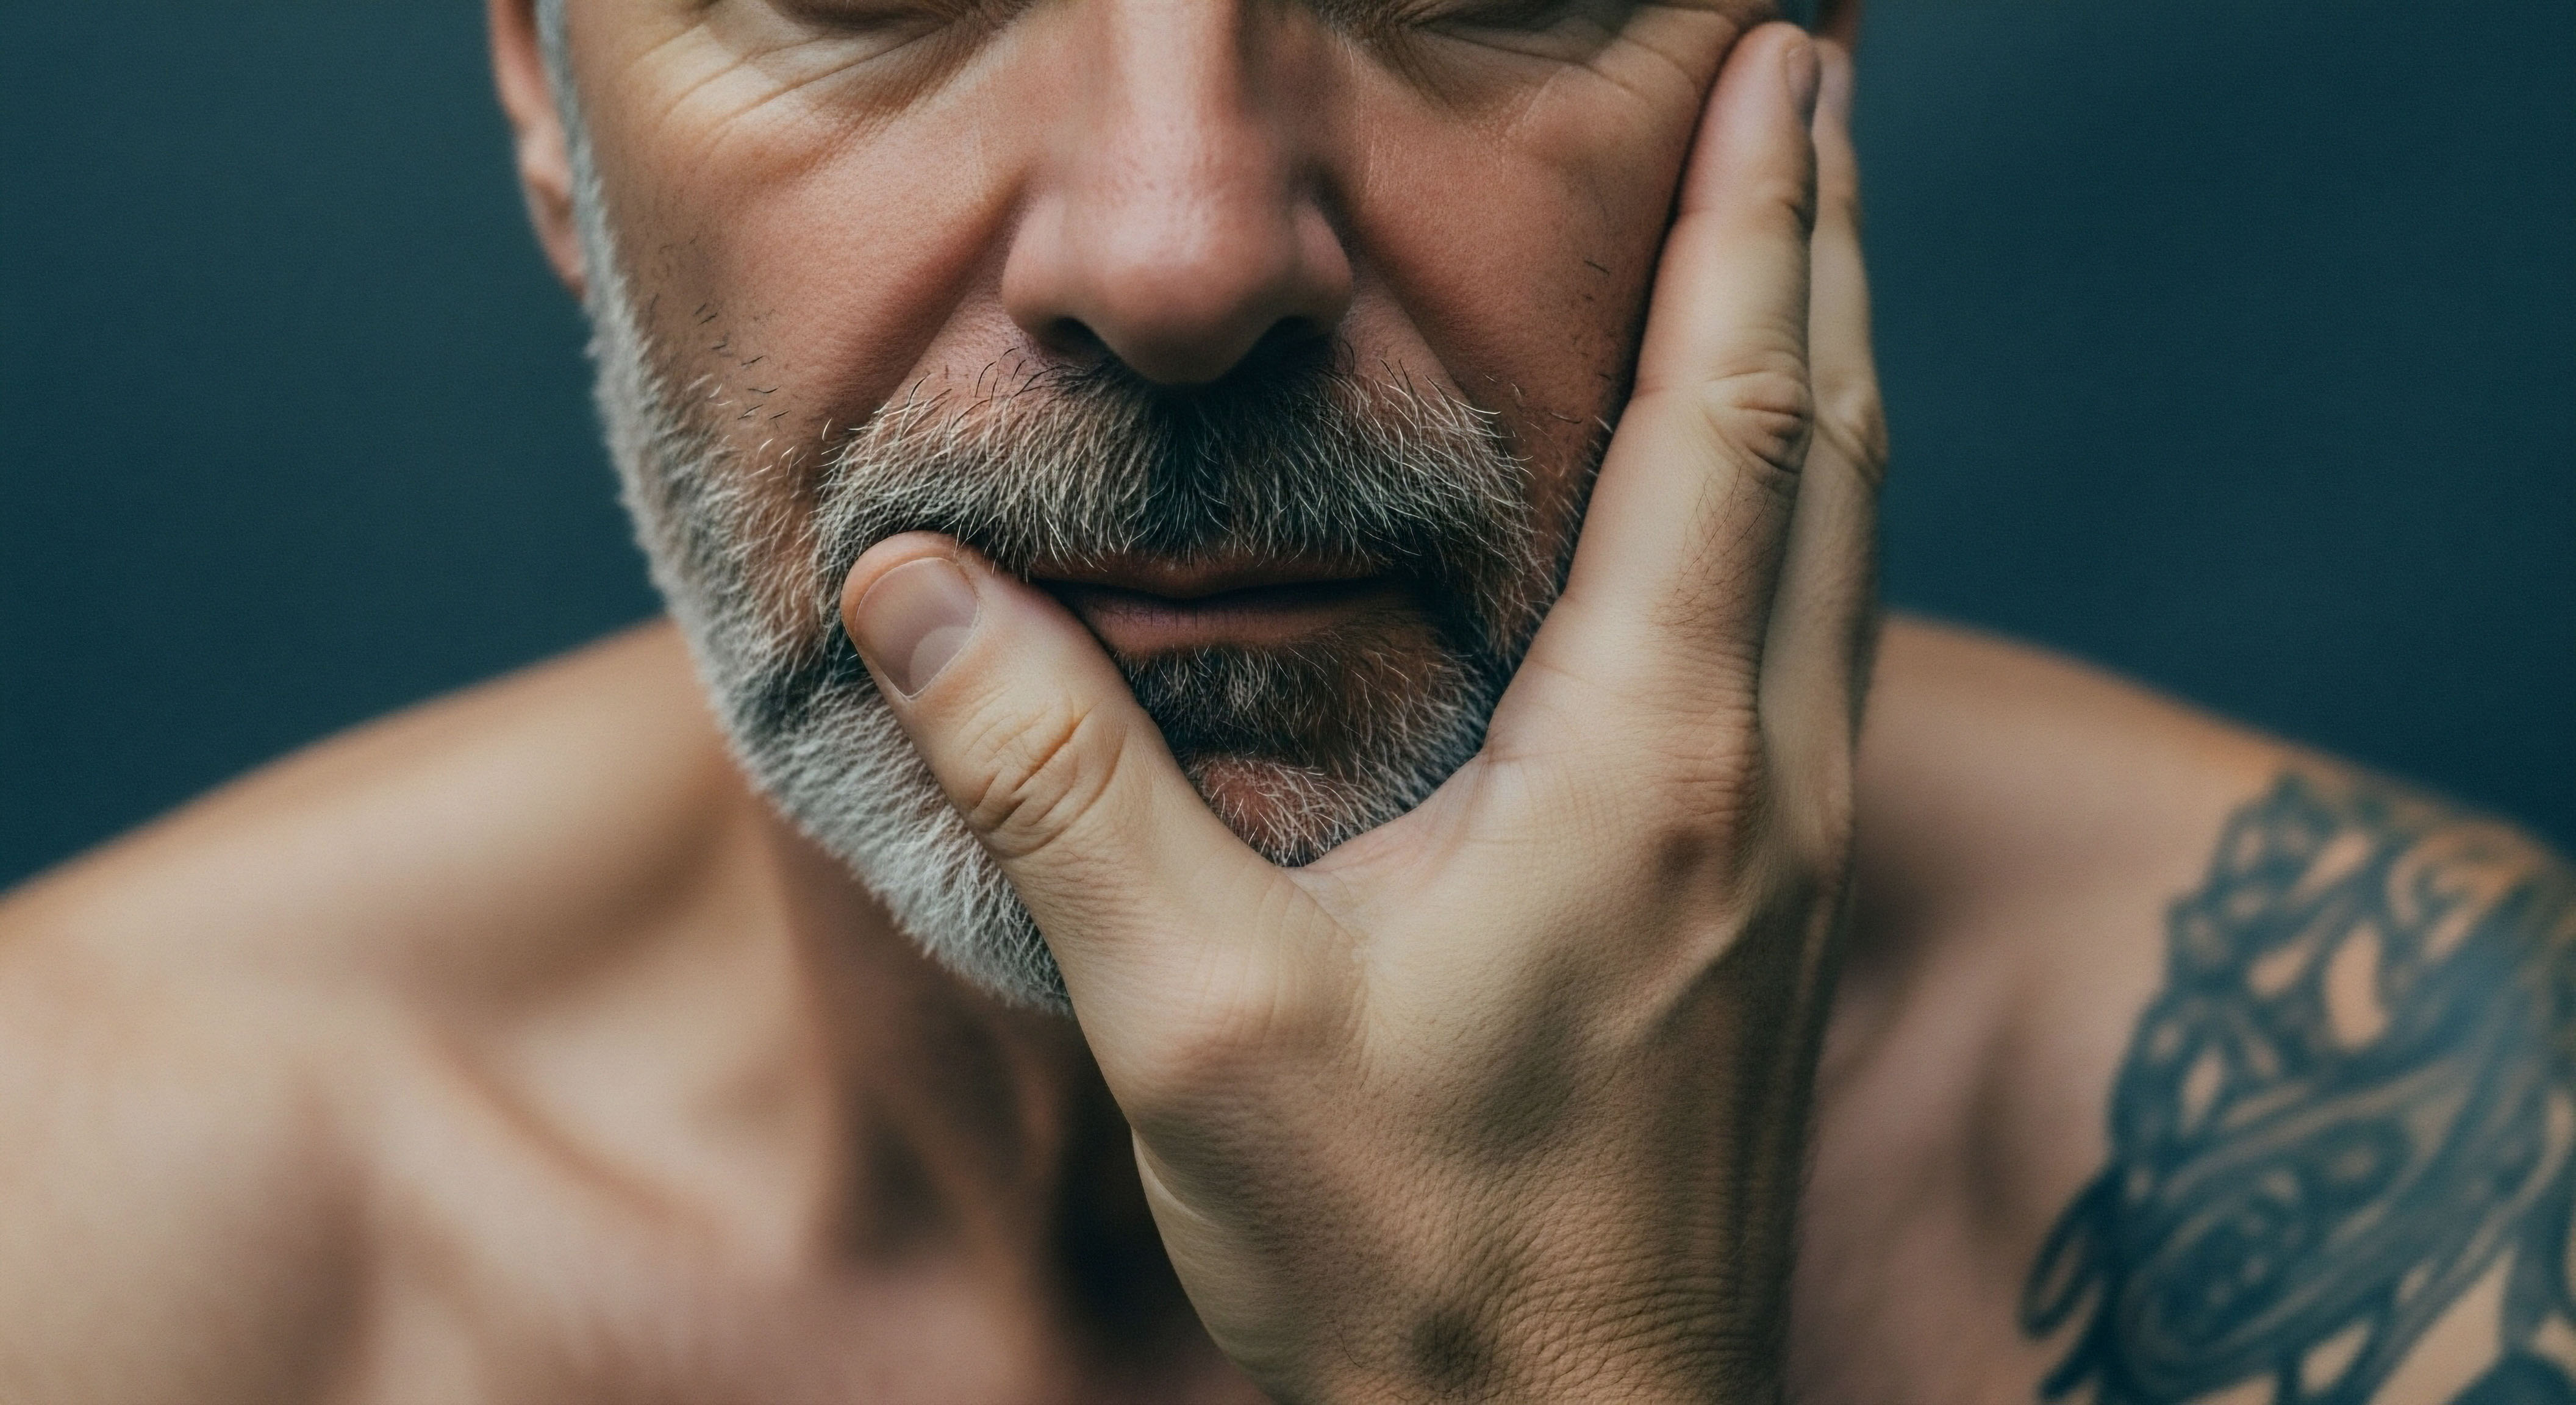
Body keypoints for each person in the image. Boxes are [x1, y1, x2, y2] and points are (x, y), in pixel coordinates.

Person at [2, 0, 2569, 1399]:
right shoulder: (85, 1244)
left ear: (1818, 64)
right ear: (543, 96)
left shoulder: (2435, 1162)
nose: (1184, 240)